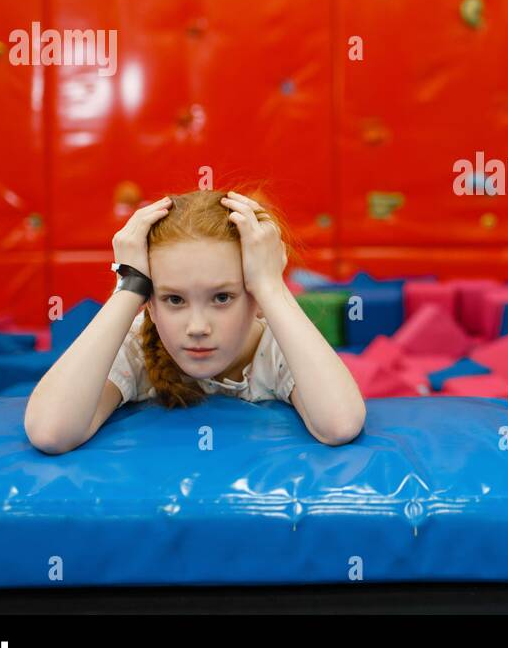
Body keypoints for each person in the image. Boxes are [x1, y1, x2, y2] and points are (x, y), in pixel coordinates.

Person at [24, 187, 365, 454]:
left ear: (256, 299)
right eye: (174, 300)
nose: (198, 326)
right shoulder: (137, 346)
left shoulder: (278, 350)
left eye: (222, 298)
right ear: (150, 306)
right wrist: (129, 285)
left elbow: (339, 424)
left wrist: (271, 285)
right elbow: (50, 431)